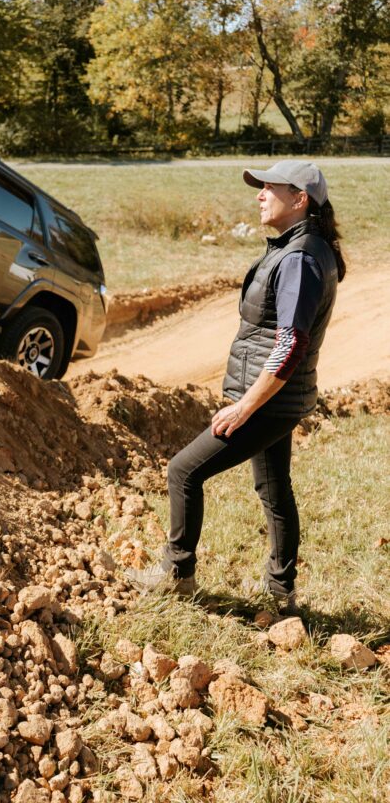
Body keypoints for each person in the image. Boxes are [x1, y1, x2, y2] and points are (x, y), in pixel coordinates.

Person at [127, 160, 345, 613]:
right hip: (280, 397)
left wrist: (245, 406)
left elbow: (291, 343)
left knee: (183, 471)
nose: (259, 194)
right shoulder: (299, 248)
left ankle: (176, 574)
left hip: (270, 399)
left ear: (300, 199)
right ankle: (280, 591)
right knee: (274, 487)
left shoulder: (301, 258)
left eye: (270, 187)